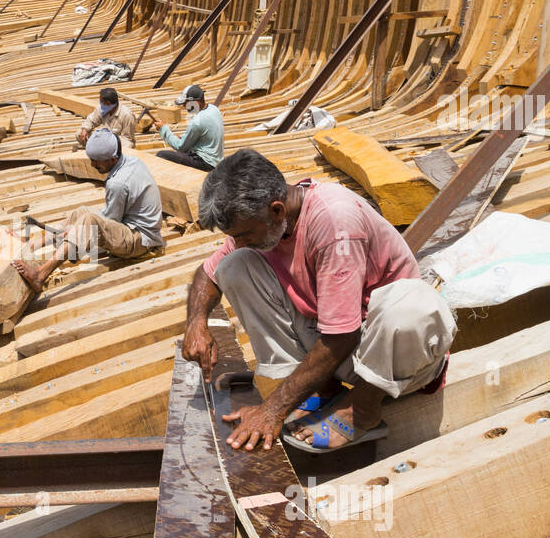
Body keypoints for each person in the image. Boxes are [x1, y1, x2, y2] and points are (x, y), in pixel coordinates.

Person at [182, 149, 455, 454]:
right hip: (343, 351)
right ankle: (323, 390)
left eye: (244, 234)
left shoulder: (334, 222)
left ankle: (362, 409)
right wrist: (196, 322)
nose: (240, 242)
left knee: (411, 306)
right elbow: (208, 274)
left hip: (392, 358)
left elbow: (342, 336)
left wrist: (273, 409)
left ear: (276, 210)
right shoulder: (267, 220)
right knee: (234, 265)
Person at [13, 128, 164, 293]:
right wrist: (71, 230)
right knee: (81, 212)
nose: (93, 165)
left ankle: (40, 274)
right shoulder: (131, 161)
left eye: (97, 161)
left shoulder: (117, 184)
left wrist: (74, 231)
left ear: (113, 159)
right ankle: (34, 244)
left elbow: (111, 221)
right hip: (132, 226)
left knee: (88, 220)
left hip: (142, 240)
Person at [156, 84, 224, 171]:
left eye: (185, 103)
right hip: (216, 160)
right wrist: (181, 138)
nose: (184, 106)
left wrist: (163, 129)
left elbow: (180, 146)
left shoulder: (197, 121)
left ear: (196, 102)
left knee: (161, 155)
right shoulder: (214, 109)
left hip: (206, 164)